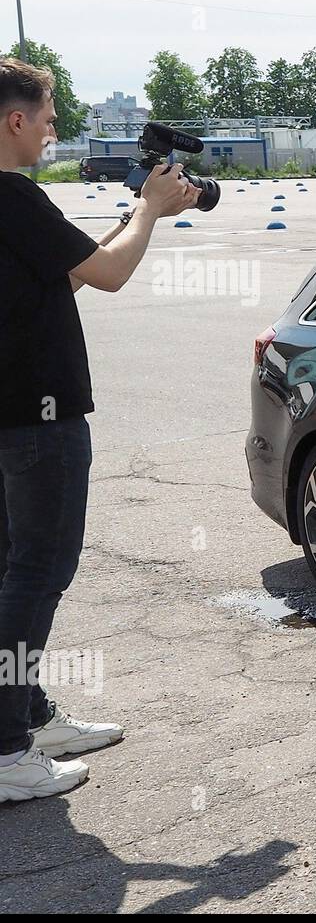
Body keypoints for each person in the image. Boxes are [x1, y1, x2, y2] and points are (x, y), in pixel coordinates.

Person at [0, 57, 198, 803]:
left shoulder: (14, 206)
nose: (52, 133)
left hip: (10, 418)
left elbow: (79, 267)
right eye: (47, 119)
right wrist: (148, 211)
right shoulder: (15, 197)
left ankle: (29, 716)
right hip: (38, 420)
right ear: (15, 120)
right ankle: (7, 749)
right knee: (36, 575)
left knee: (10, 572)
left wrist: (137, 215)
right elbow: (110, 276)